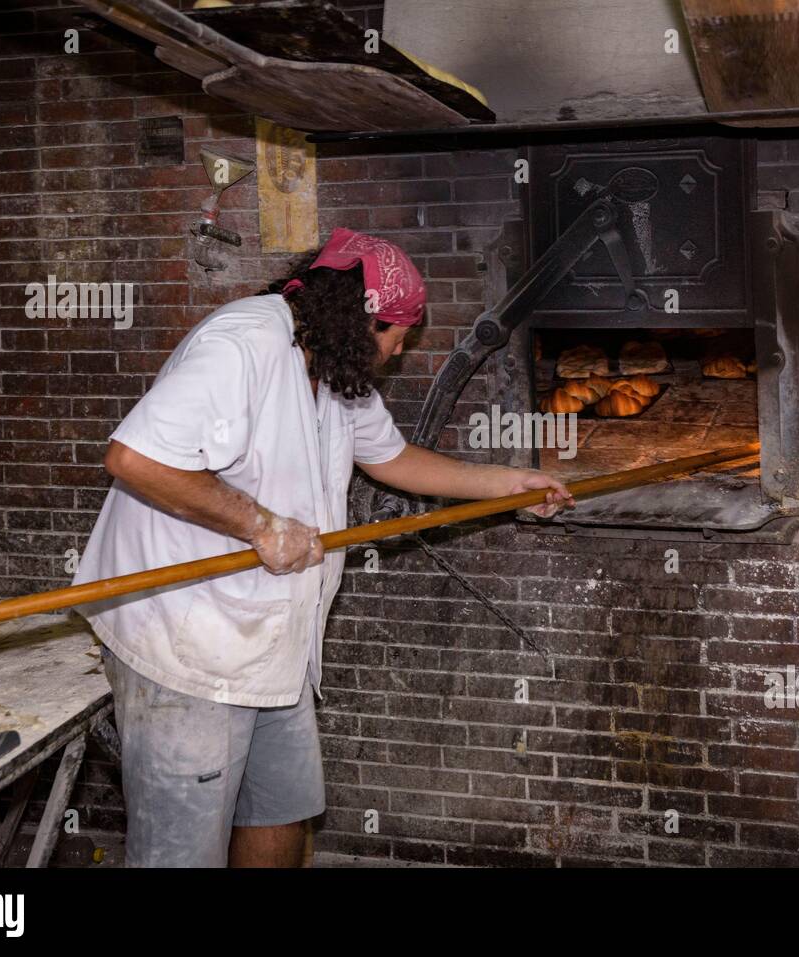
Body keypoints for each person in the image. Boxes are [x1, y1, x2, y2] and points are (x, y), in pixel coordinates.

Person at [73, 228, 574, 866]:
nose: (397, 350)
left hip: (273, 643)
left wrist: (506, 485)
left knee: (281, 810)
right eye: (395, 331)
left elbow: (391, 457)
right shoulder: (241, 346)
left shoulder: (339, 366)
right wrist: (259, 525)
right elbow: (134, 458)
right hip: (185, 640)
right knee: (183, 850)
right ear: (354, 316)